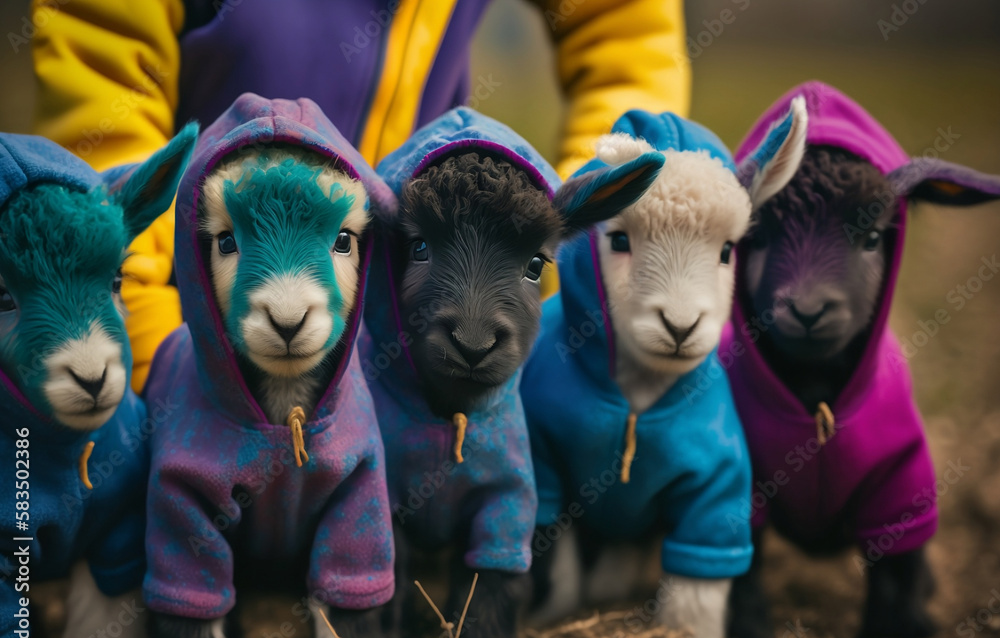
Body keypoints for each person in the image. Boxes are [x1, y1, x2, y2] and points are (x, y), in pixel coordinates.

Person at [32, 0, 691, 390]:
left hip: (413, 338)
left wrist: (536, 258)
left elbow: (623, 40)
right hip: (185, 340)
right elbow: (107, 109)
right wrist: (148, 353)